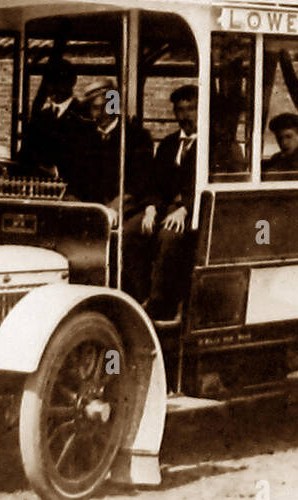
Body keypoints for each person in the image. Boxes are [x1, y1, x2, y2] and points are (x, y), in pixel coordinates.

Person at [123, 85, 199, 318]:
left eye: (191, 109)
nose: (185, 116)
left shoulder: (215, 144)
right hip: (164, 208)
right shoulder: (168, 144)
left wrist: (186, 208)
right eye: (180, 110)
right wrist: (150, 208)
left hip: (195, 211)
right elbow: (153, 182)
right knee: (130, 231)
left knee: (170, 236)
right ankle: (137, 297)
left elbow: (211, 184)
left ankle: (161, 305)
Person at [66, 80, 152, 215]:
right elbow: (76, 179)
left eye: (106, 107)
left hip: (126, 207)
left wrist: (113, 208)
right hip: (92, 208)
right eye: (95, 108)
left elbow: (138, 182)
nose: (101, 114)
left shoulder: (137, 137)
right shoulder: (83, 139)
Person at [19, 60, 85, 179]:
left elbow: (89, 162)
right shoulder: (40, 117)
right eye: (49, 82)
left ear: (72, 82)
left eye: (59, 81)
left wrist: (57, 172)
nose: (53, 87)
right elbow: (26, 155)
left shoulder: (84, 115)